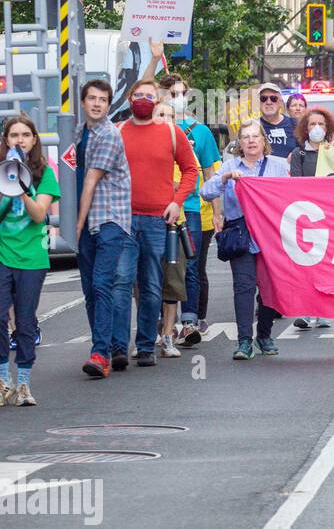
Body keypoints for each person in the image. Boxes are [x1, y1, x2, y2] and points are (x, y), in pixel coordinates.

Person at [119, 77, 199, 367]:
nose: (143, 99)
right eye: (137, 94)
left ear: (157, 99)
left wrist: (177, 202)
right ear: (129, 99)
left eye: (149, 95)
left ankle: (147, 345)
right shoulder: (118, 132)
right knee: (124, 282)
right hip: (125, 220)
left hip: (158, 221)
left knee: (154, 284)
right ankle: (117, 346)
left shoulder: (172, 133)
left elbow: (191, 170)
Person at [201, 121, 291, 360]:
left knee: (269, 287)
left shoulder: (279, 166)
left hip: (270, 236)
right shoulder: (229, 166)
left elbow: (292, 197)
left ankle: (264, 334)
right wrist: (225, 179)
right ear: (239, 143)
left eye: (255, 137)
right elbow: (206, 191)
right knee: (244, 286)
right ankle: (243, 341)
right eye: (246, 137)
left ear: (264, 141)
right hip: (241, 235)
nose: (251, 141)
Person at [74, 78, 135, 377]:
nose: (97, 104)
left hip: (109, 218)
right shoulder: (79, 131)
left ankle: (100, 353)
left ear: (109, 105)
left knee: (102, 284)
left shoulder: (109, 134)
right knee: (89, 290)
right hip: (89, 221)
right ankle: (109, 346)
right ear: (83, 101)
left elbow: (90, 180)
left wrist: (76, 223)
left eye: (103, 100)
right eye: (92, 98)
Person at [0, 115, 59, 405]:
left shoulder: (45, 174)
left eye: (25, 135)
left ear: (34, 140)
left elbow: (38, 215)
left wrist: (21, 185)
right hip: (2, 254)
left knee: (24, 323)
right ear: (6, 140)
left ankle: (23, 382)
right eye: (14, 135)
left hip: (32, 258)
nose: (19, 140)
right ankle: (2, 380)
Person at [161, 73, 221, 347]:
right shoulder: (152, 127)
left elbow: (210, 174)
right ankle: (164, 325)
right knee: (164, 267)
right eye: (173, 94)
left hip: (192, 208)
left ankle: (189, 321)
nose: (180, 98)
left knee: (192, 265)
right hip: (158, 210)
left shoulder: (200, 131)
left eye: (183, 92)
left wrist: (218, 212)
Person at [289, 107, 334, 330]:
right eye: (312, 125)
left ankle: (324, 312)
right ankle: (307, 311)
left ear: (328, 129)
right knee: (307, 267)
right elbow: (297, 185)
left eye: (321, 125)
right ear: (305, 129)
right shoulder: (298, 155)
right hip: (307, 217)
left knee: (326, 265)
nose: (317, 128)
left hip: (331, 217)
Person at [153, 101, 188, 359]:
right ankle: (149, 330)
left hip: (175, 224)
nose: (166, 119)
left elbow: (191, 176)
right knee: (144, 282)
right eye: (160, 114)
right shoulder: (143, 144)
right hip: (146, 222)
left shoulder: (179, 143)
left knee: (173, 282)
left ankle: (167, 335)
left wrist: (175, 189)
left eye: (170, 115)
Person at [252, 82, 297, 159]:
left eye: (273, 98)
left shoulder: (295, 124)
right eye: (263, 98)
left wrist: (296, 153)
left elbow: (307, 150)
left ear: (281, 103)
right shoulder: (252, 126)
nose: (269, 102)